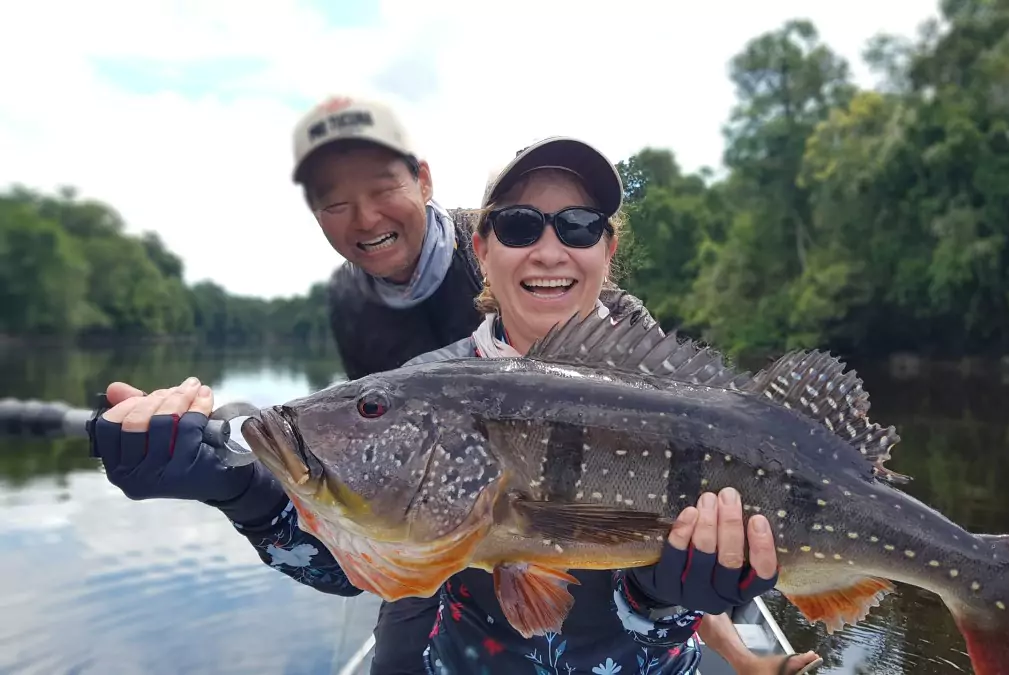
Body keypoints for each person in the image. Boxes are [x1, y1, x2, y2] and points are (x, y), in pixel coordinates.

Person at [87, 98, 820, 674]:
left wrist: (663, 598)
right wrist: (235, 486)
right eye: (520, 223)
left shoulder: (681, 398)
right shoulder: (426, 389)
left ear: (609, 245)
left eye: (578, 224)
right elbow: (355, 563)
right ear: (483, 244)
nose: (549, 246)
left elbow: (654, 596)